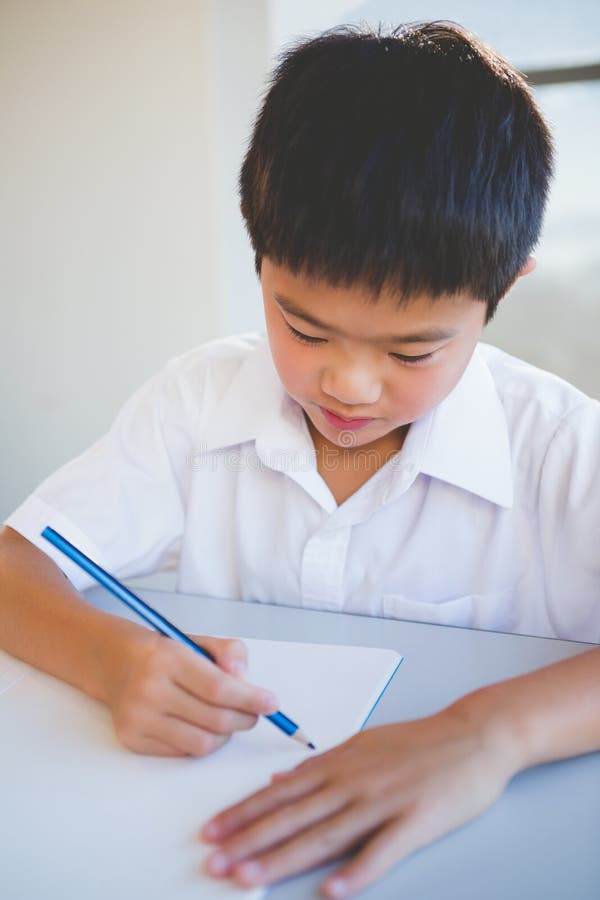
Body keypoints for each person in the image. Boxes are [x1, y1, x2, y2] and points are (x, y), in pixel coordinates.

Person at [1, 19, 599, 899]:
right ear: (258, 252)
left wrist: (486, 734)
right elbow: (16, 567)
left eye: (412, 351)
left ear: (503, 290)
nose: (350, 386)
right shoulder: (195, 401)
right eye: (303, 326)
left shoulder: (561, 445)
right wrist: (110, 658)